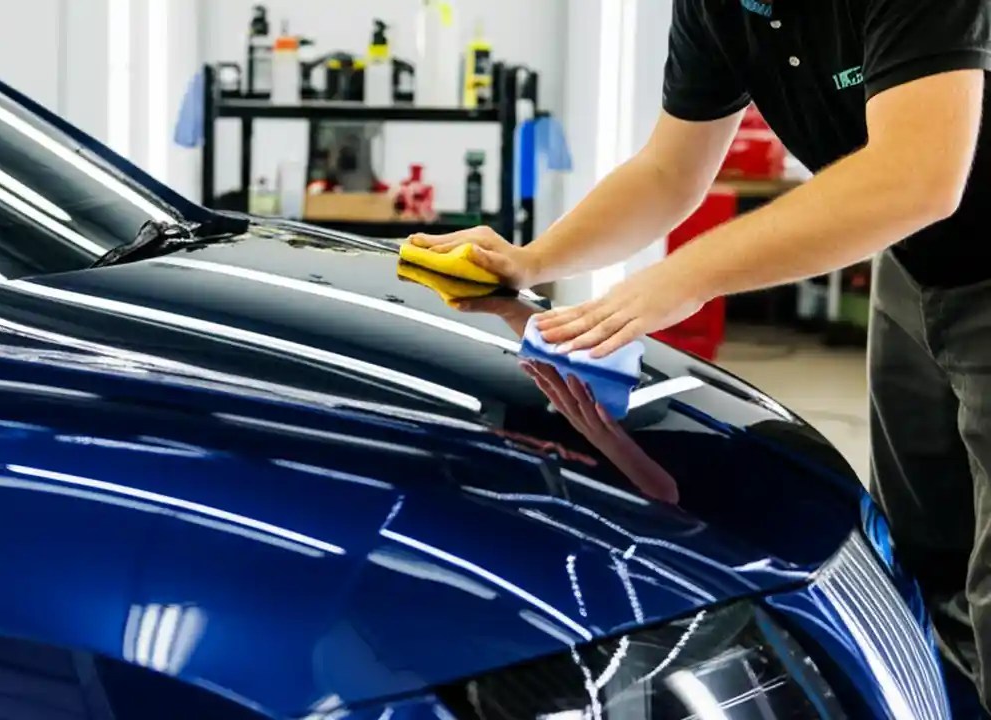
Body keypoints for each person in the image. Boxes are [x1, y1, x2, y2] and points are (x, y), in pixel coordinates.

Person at [410, 0, 991, 708]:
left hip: (956, 233)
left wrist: (682, 278)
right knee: (927, 561)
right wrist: (534, 261)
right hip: (919, 262)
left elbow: (918, 176)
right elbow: (667, 171)